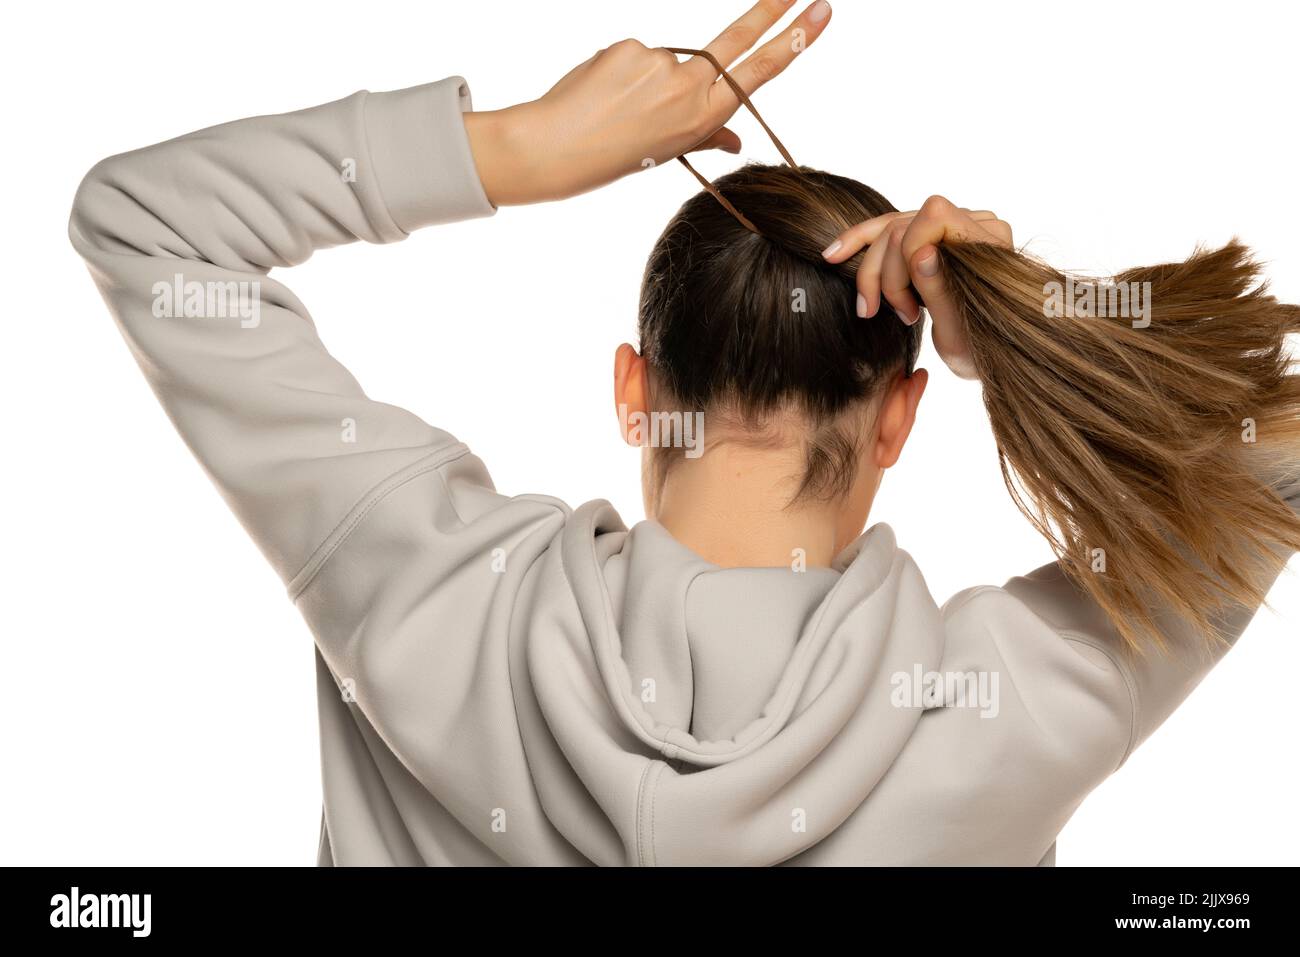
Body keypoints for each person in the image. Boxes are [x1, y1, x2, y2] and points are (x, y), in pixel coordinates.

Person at [69, 0, 1299, 865]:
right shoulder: (1015, 705)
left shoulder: (416, 587)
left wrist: (511, 151)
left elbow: (143, 227)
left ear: (632, 388)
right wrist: (1033, 320)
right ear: (899, 419)